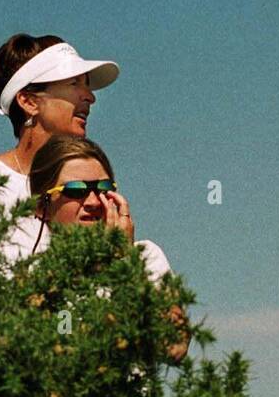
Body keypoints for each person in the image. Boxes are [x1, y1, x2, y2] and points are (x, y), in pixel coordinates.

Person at [25, 135, 188, 363]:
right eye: (75, 190)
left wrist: (123, 264)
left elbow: (174, 347)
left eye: (102, 189)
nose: (92, 201)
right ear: (42, 206)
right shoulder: (30, 279)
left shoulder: (144, 257)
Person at [0, 33, 119, 260]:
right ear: (29, 101)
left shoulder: (95, 187)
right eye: (73, 83)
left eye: (87, 85)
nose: (90, 97)